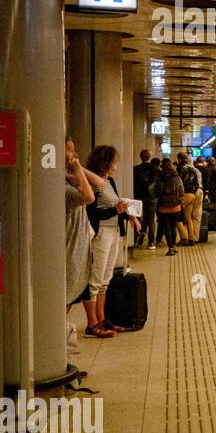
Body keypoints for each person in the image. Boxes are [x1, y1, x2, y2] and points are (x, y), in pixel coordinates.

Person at [84, 145, 141, 337]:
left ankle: (102, 319)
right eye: (114, 162)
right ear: (104, 162)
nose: (116, 166)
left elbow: (116, 206)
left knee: (106, 279)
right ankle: (92, 324)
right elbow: (90, 212)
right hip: (101, 234)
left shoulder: (110, 182)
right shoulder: (92, 183)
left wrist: (129, 215)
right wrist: (114, 211)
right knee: (96, 278)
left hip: (114, 232)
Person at [64, 138, 97, 338]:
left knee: (66, 301)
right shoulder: (60, 185)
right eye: (71, 150)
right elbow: (89, 196)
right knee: (63, 300)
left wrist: (76, 167)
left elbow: (98, 182)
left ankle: (59, 351)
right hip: (67, 249)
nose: (75, 155)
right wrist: (77, 168)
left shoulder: (66, 178)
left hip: (75, 247)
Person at [150, 157, 185, 256]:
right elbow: (182, 191)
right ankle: (173, 246)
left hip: (163, 206)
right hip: (176, 206)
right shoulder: (177, 178)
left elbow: (152, 190)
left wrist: (157, 197)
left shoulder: (159, 178)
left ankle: (170, 248)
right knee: (173, 227)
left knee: (167, 228)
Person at [132, 149, 157, 249]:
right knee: (150, 219)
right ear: (149, 157)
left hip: (138, 197)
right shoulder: (155, 169)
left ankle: (138, 239)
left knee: (137, 218)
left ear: (140, 157)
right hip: (151, 198)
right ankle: (151, 242)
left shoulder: (135, 169)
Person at [177, 152, 202, 246]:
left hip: (183, 195)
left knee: (177, 218)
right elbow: (197, 183)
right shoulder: (193, 169)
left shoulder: (180, 168)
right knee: (188, 218)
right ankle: (191, 239)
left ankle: (184, 238)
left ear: (179, 158)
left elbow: (179, 182)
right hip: (192, 194)